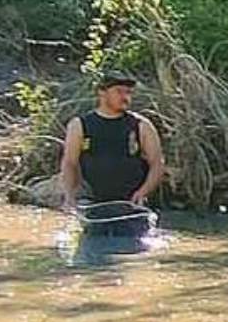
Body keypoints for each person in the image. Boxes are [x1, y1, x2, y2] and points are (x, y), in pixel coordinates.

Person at [59, 73, 164, 228]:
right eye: (119, 92)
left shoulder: (141, 125)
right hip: (94, 204)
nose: (125, 97)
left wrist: (143, 192)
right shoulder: (80, 125)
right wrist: (69, 197)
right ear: (102, 92)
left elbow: (157, 163)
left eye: (128, 93)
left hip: (133, 204)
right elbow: (70, 163)